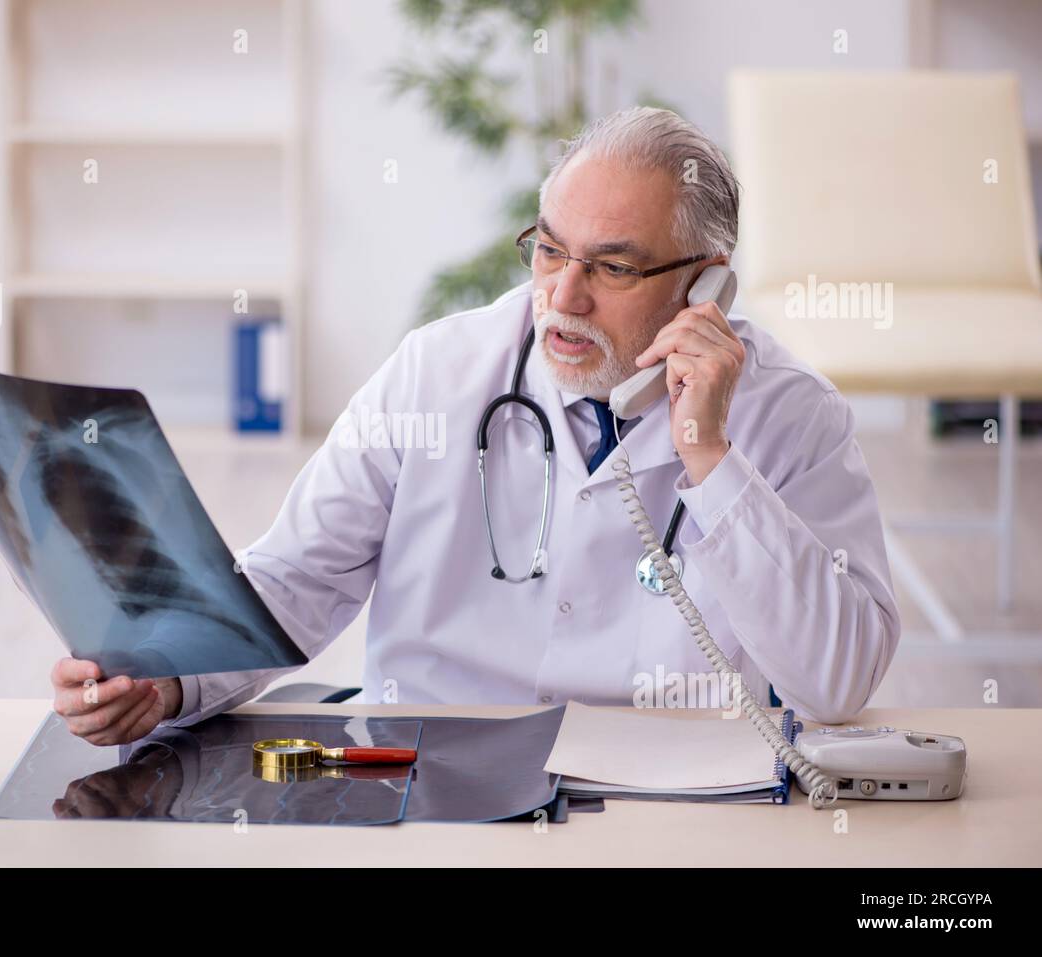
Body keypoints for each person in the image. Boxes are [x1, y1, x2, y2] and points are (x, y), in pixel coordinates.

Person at [51, 106, 901, 746]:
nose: (564, 298)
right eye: (550, 250)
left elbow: (840, 680)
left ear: (706, 285)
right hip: (429, 780)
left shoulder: (792, 416)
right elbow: (294, 579)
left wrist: (710, 456)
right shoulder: (437, 371)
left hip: (669, 803)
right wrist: (164, 682)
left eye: (612, 266)